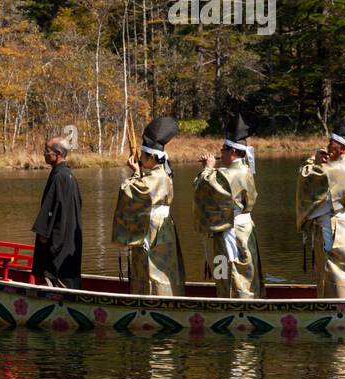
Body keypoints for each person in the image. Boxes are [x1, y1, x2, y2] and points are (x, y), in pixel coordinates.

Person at [296, 115, 345, 298]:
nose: (327, 148)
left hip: (332, 228)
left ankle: (334, 312)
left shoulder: (330, 169)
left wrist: (312, 159)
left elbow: (306, 177)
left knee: (331, 274)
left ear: (344, 148)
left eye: (332, 144)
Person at [111, 116, 185, 296]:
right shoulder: (163, 173)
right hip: (162, 227)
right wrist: (138, 172)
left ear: (152, 157)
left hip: (151, 229)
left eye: (143, 156)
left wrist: (136, 174)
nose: (141, 159)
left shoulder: (155, 177)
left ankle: (152, 301)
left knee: (152, 269)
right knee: (162, 267)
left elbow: (129, 192)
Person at [193, 113, 264, 300]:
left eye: (223, 149)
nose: (220, 152)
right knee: (239, 267)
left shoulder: (228, 174)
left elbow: (201, 187)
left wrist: (208, 167)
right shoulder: (244, 169)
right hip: (240, 226)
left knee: (230, 270)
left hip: (230, 230)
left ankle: (229, 300)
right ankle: (229, 296)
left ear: (233, 152)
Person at [32, 136, 83, 289]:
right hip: (69, 237)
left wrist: (43, 234)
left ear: (58, 153)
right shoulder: (68, 175)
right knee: (69, 273)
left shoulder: (59, 177)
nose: (44, 154)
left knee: (58, 275)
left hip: (59, 239)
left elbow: (50, 208)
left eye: (47, 151)